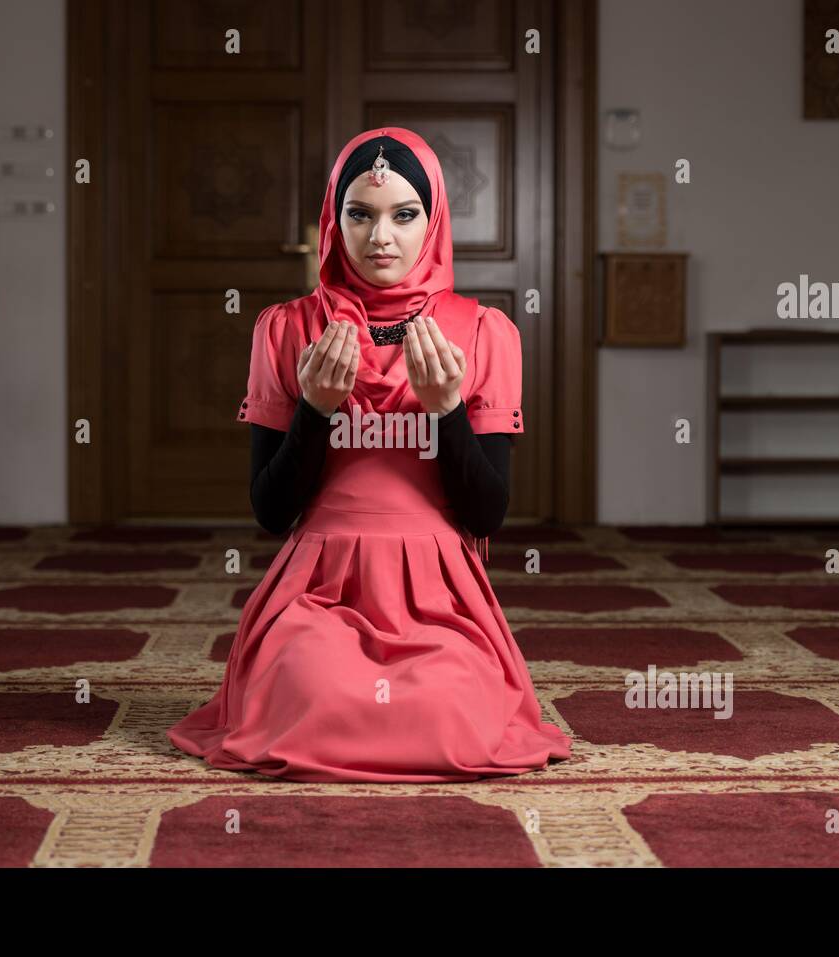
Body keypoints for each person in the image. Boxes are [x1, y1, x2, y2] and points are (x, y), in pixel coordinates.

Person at [166, 127, 572, 783]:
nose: (381, 237)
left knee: (445, 707)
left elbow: (487, 511)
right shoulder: (286, 327)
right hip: (320, 589)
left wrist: (445, 410)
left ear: (433, 221)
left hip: (439, 592)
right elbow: (271, 511)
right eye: (360, 213)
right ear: (333, 219)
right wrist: (315, 409)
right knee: (312, 691)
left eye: (404, 215)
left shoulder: (485, 332)